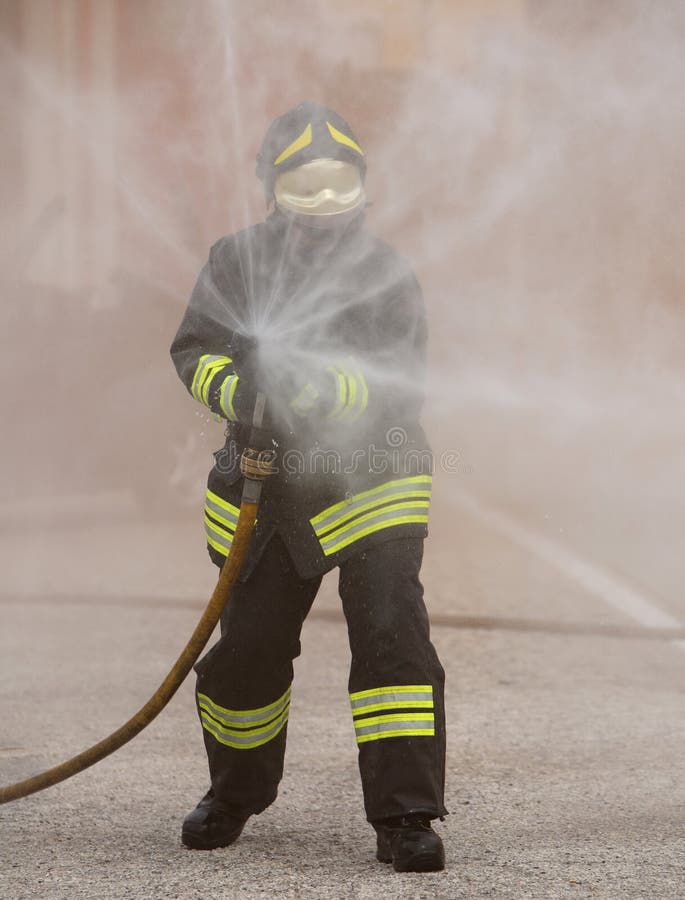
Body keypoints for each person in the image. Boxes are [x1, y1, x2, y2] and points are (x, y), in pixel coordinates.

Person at [170, 101, 447, 872]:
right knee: (246, 656)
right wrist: (240, 391)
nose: (326, 199)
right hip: (264, 495)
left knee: (393, 644)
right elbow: (194, 350)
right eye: (306, 183)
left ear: (363, 187)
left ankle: (406, 816)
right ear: (271, 187)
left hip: (370, 486)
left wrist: (312, 394)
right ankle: (234, 794)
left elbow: (398, 387)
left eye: (341, 182)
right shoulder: (234, 261)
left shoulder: (384, 273)